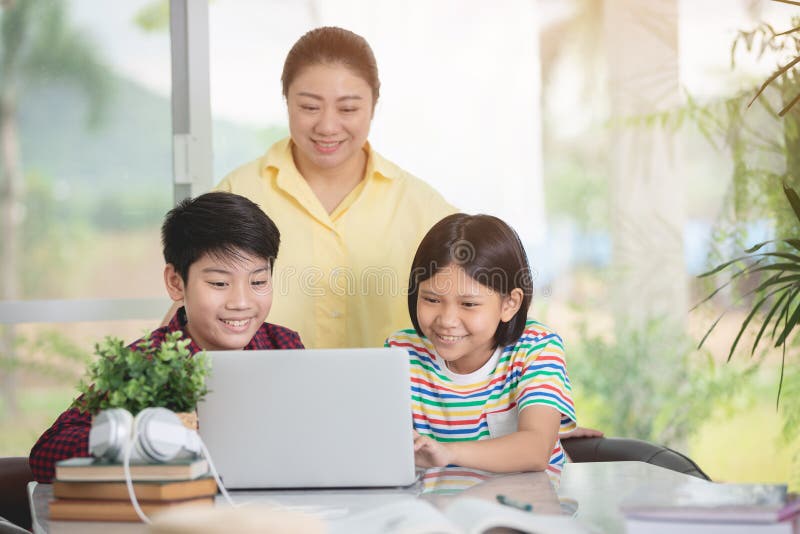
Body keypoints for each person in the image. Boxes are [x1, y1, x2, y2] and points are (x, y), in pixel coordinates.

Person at [29, 192, 304, 483]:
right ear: (176, 283)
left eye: (258, 282)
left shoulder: (283, 345)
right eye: (219, 283)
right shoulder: (142, 364)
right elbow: (46, 455)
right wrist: (147, 438)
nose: (241, 302)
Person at [213, 26, 456, 348]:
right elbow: (193, 311)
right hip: (262, 394)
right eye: (310, 107)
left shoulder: (424, 208)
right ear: (286, 101)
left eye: (348, 109)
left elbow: (481, 316)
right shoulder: (236, 193)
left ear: (374, 105)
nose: (327, 126)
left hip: (392, 396)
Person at [386, 213, 578, 473]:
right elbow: (382, 444)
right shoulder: (400, 352)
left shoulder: (537, 348)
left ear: (509, 304)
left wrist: (449, 453)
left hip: (526, 508)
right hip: (434, 508)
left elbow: (535, 449)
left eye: (469, 304)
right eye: (431, 299)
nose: (447, 320)